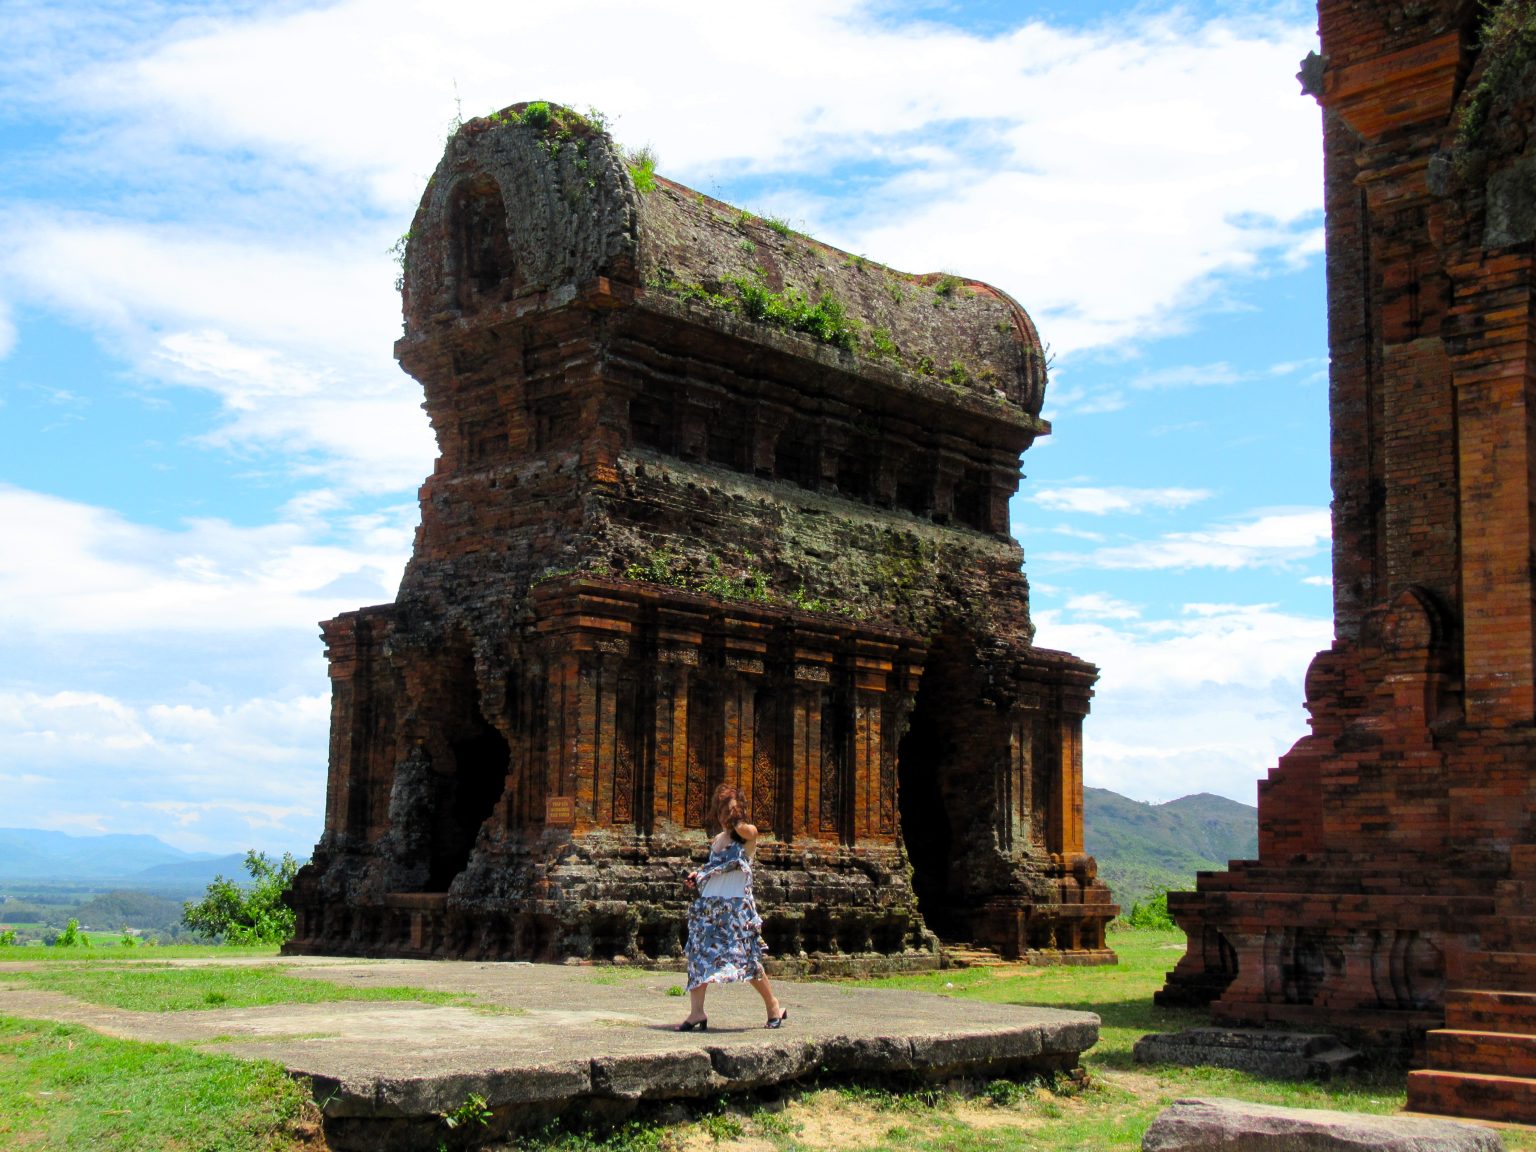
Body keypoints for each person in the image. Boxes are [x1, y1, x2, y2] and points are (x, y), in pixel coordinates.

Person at [674, 783, 788, 1031]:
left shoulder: (747, 835)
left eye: (732, 810)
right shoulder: (718, 839)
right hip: (709, 907)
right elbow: (713, 868)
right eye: (723, 810)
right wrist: (697, 874)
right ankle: (696, 1013)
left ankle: (773, 1005)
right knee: (698, 956)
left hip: (736, 909)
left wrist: (735, 819)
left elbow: (749, 832)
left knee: (747, 960)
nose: (727, 815)